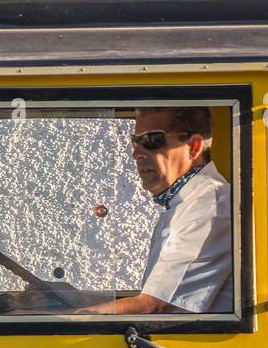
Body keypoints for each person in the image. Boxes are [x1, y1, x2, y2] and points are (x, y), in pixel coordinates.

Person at [82, 106, 233, 314]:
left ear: (194, 147)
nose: (136, 153)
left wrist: (56, 321)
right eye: (135, 142)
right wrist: (68, 296)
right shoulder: (183, 203)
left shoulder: (210, 207)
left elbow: (156, 306)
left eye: (151, 140)